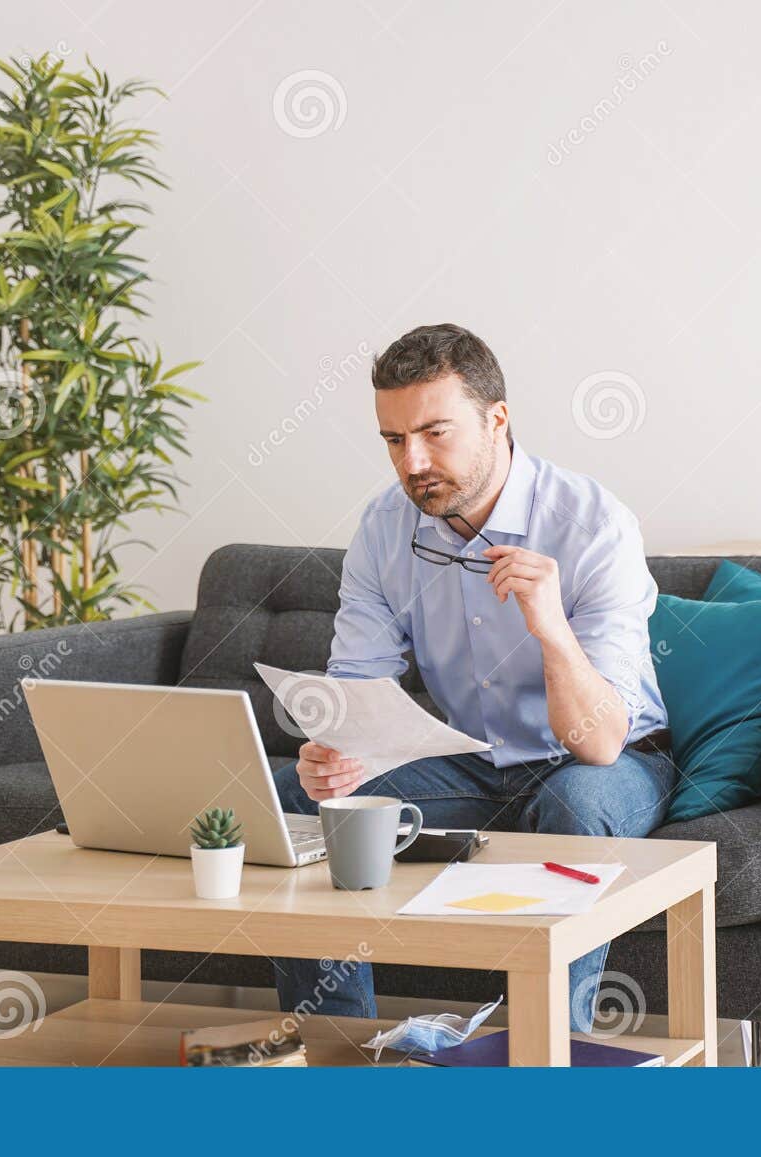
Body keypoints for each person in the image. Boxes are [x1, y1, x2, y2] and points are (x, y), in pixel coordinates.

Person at [271, 323, 672, 1032]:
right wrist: (336, 752)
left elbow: (602, 740)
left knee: (574, 806)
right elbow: (358, 689)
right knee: (293, 799)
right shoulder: (384, 529)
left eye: (434, 432)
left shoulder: (592, 524)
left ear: (497, 420)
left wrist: (550, 627)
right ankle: (337, 1052)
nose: (413, 461)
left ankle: (543, 1057)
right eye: (394, 440)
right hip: (473, 764)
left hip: (611, 759)